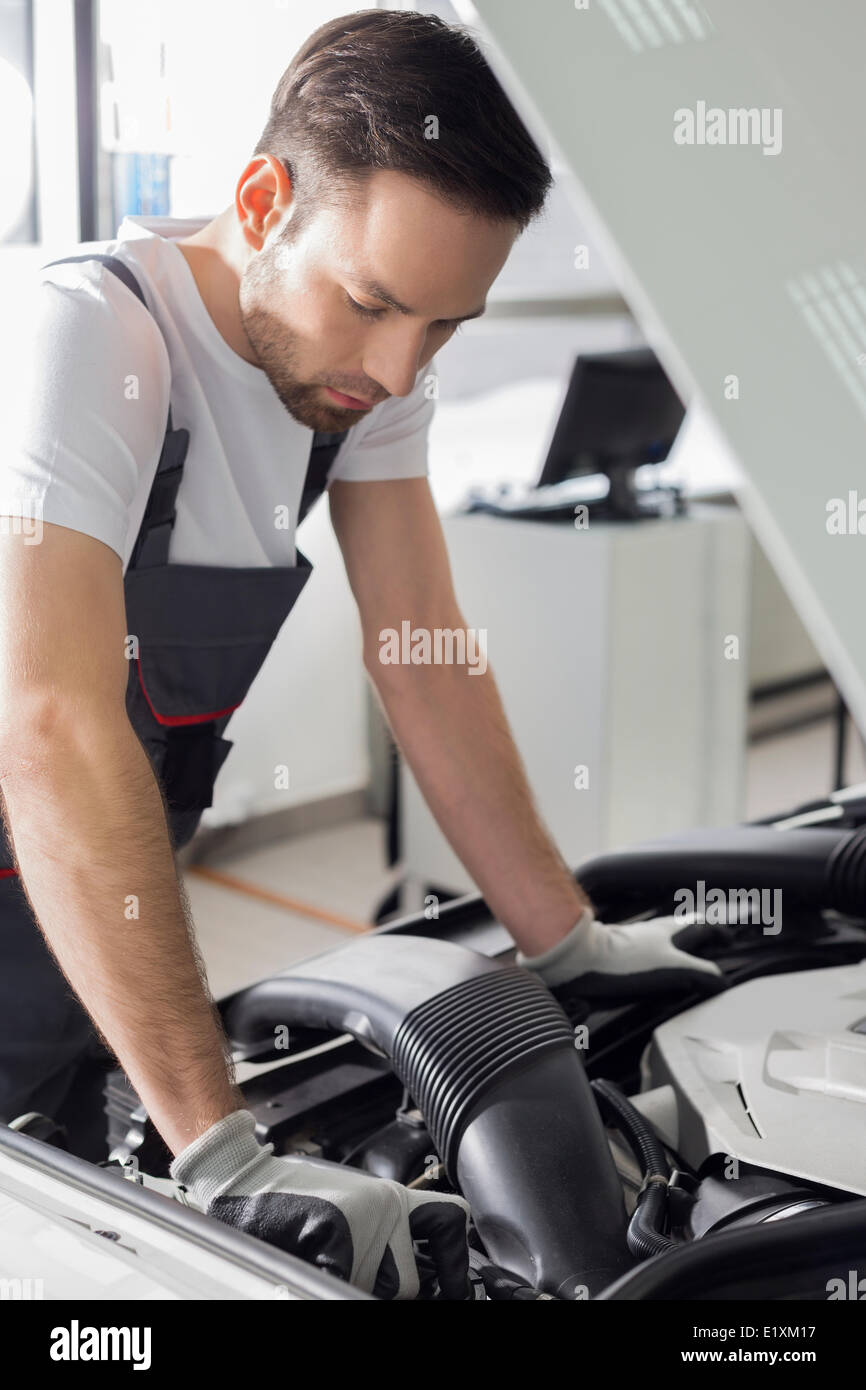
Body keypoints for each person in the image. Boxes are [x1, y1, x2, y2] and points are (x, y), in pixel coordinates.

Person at [0, 9, 723, 1299]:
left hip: (82, 917)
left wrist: (561, 941)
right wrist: (220, 1148)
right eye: (376, 303)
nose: (399, 369)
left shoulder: (360, 380)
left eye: (445, 327)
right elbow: (52, 725)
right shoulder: (95, 337)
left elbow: (424, 656)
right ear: (266, 197)